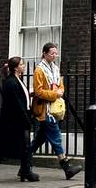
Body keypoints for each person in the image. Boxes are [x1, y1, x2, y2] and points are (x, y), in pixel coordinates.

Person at [0, 57, 37, 183]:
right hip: (13, 121)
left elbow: (22, 99)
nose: (24, 66)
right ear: (15, 67)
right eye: (21, 64)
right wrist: (27, 118)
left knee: (25, 146)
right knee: (2, 148)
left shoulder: (16, 80)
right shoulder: (11, 83)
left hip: (17, 119)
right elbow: (17, 103)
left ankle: (26, 171)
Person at [30, 43, 82, 180]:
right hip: (45, 110)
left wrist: (61, 91)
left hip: (54, 109)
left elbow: (60, 85)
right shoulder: (39, 71)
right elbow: (38, 91)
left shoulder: (55, 68)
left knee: (38, 140)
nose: (54, 55)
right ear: (44, 53)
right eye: (52, 53)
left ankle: (25, 166)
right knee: (56, 137)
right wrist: (55, 94)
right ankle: (67, 168)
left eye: (55, 53)